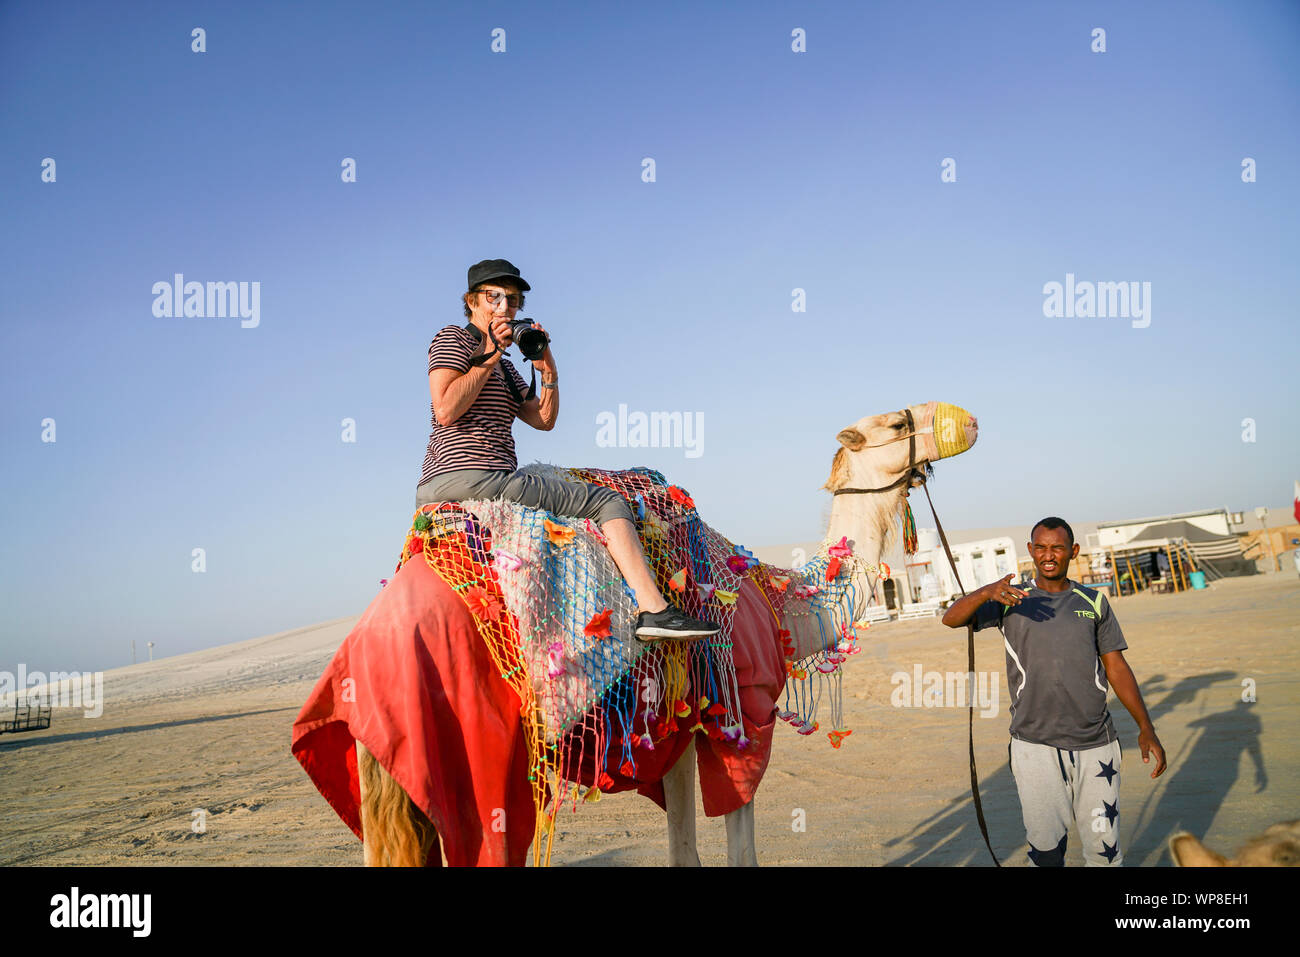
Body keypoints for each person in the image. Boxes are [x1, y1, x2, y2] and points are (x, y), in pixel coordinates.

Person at [414, 258, 719, 641]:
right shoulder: (454, 339)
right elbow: (445, 409)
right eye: (494, 297)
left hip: (475, 479)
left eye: (513, 299)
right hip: (474, 476)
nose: (505, 307)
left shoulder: (508, 369)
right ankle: (653, 610)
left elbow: (543, 419)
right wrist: (491, 354)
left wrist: (548, 370)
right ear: (472, 301)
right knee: (607, 502)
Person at [941, 516, 1167, 866]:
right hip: (1035, 747)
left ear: (1072, 552)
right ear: (1030, 551)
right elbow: (951, 618)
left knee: (1104, 852)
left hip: (1096, 746)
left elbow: (1117, 667)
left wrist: (1146, 727)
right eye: (1041, 547)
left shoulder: (1093, 601)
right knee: (1046, 853)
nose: (1049, 554)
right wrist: (985, 592)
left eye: (1057, 547)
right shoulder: (1010, 599)